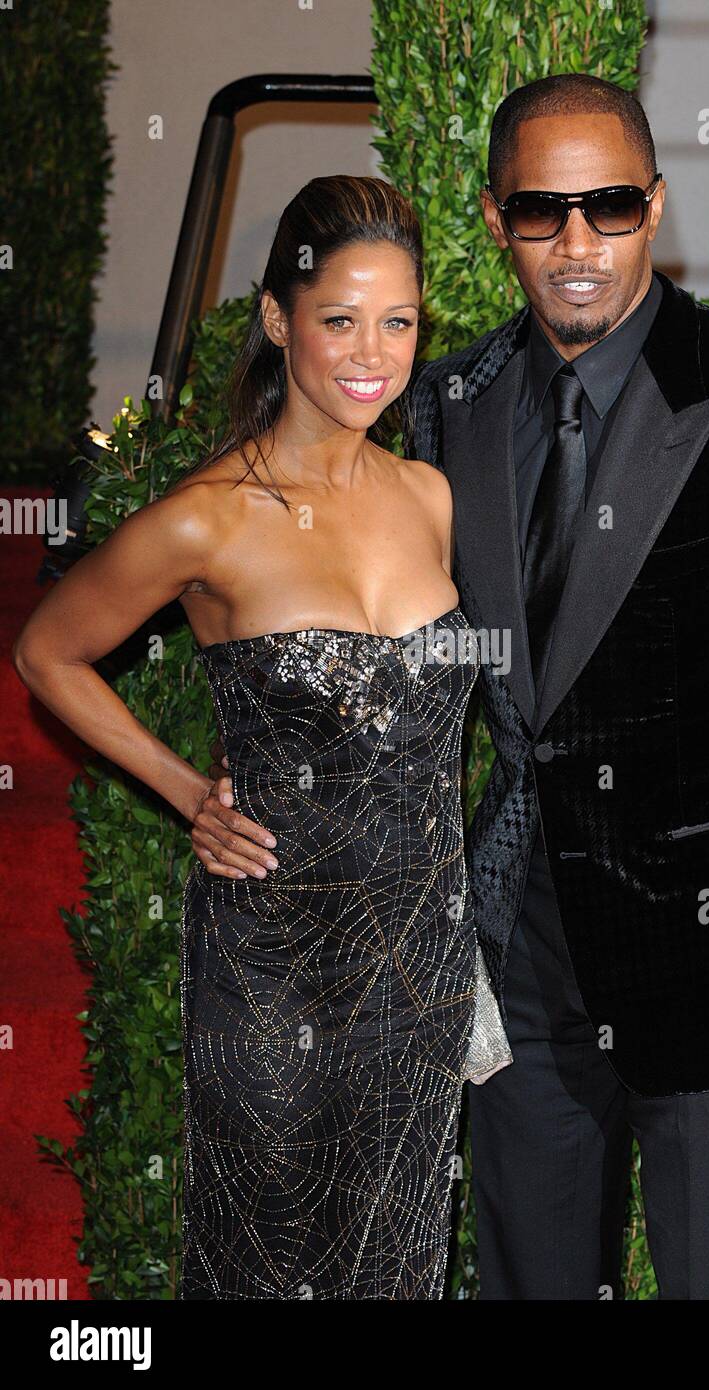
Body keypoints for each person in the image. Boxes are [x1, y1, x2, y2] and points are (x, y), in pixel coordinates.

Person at [190, 78, 709, 1300]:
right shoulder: (444, 407)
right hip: (511, 952)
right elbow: (342, 608)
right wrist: (246, 774)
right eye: (542, 210)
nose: (578, 245)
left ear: (656, 206)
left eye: (611, 206)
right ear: (495, 217)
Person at [13, 174, 510, 1301]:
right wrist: (187, 791)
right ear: (281, 320)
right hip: (274, 966)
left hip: (419, 967)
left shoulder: (427, 493)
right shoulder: (209, 515)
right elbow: (47, 648)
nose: (372, 352)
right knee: (266, 1267)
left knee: (396, 1265)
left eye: (399, 321)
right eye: (340, 319)